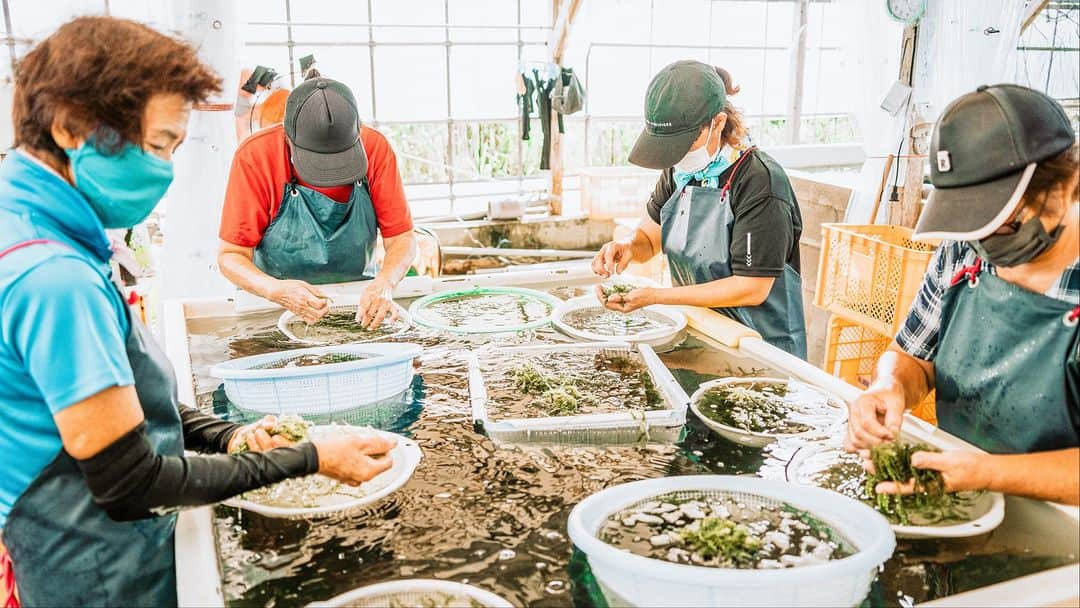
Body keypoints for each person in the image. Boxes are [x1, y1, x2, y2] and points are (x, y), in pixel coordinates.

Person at [0, 17, 395, 607]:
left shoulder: (36, 227)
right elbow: (132, 481)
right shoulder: (52, 279)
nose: (164, 171)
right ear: (71, 126)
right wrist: (310, 457)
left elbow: (130, 402)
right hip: (97, 573)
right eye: (159, 145)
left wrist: (232, 436)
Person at [846, 84, 1079, 505]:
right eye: (973, 223)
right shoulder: (963, 248)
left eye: (1002, 222)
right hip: (964, 495)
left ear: (1063, 187)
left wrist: (990, 473)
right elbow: (915, 358)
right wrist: (888, 384)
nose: (984, 243)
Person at [591, 60, 807, 358]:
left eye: (683, 143)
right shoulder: (679, 170)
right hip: (703, 334)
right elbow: (649, 239)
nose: (675, 156)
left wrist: (656, 297)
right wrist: (627, 246)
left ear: (717, 123)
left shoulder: (761, 182)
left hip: (760, 347)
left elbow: (751, 287)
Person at [218, 75, 417, 329]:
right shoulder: (254, 158)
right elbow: (230, 256)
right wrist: (274, 290)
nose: (329, 177)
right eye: (319, 164)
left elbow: (403, 239)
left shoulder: (376, 148)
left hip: (358, 301)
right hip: (273, 304)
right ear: (288, 137)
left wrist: (385, 283)